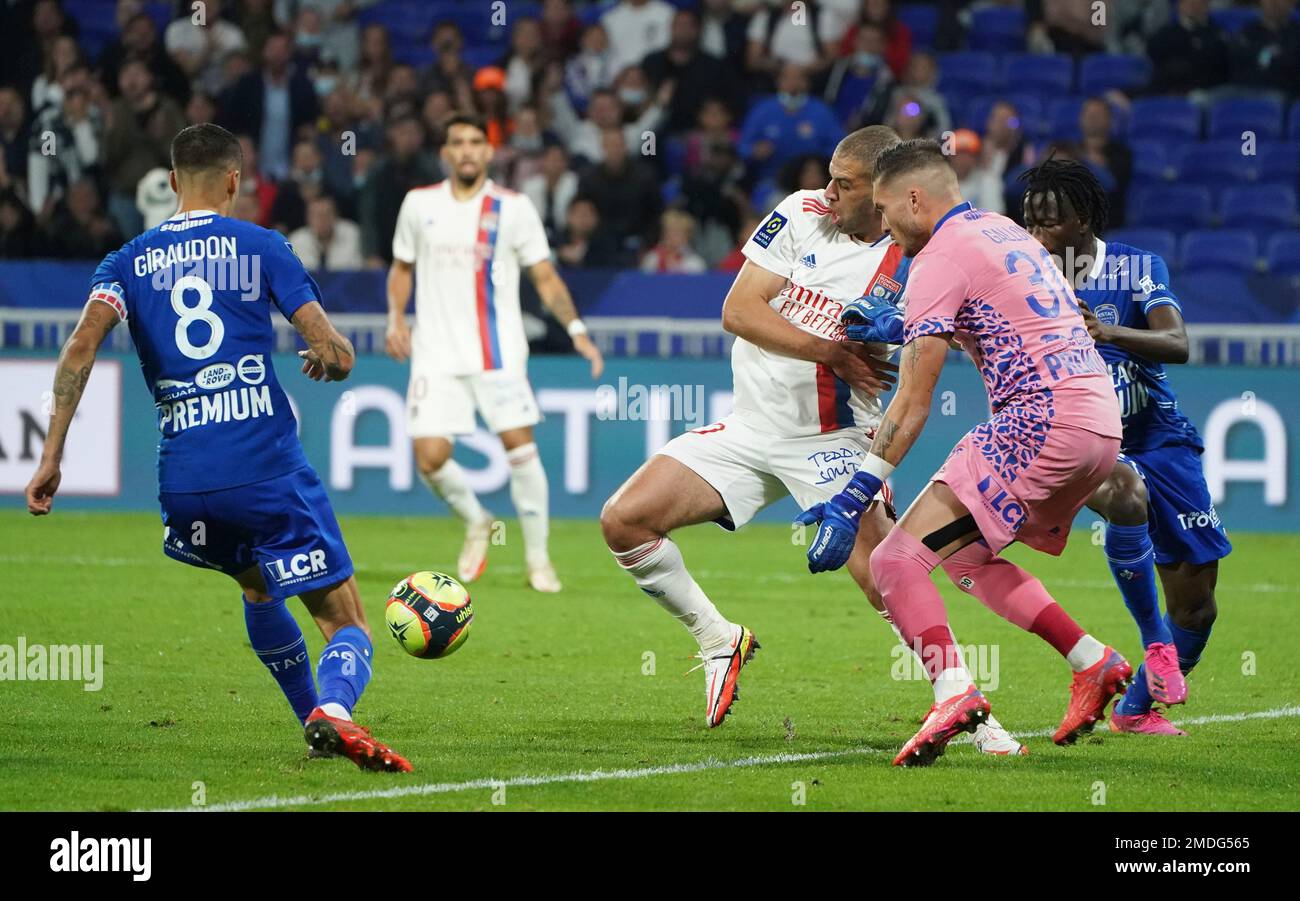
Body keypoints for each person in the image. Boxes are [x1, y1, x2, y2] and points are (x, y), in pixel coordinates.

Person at [600, 126, 1024, 753]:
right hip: (749, 428)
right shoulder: (801, 212)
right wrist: (833, 352)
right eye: (829, 175)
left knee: (885, 573)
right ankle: (720, 638)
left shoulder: (917, 257)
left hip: (833, 439)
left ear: (882, 191)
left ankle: (969, 709)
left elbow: (930, 354)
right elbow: (739, 311)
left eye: (845, 184)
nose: (828, 191)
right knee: (624, 521)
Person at [24, 123, 409, 772]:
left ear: (173, 182)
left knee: (260, 588)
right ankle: (334, 710)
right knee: (348, 624)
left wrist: (51, 453)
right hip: (263, 466)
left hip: (185, 481)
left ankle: (311, 725)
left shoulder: (125, 262)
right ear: (236, 181)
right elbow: (333, 348)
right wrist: (332, 358)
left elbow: (79, 348)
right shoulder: (263, 245)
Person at [801, 139, 1130, 765]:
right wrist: (902, 325)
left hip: (1040, 422)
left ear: (915, 199)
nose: (887, 229)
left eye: (885, 209)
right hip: (1098, 425)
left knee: (895, 562)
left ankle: (953, 691)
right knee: (967, 559)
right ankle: (1093, 661)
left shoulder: (937, 258)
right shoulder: (1002, 230)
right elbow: (1000, 319)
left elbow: (912, 404)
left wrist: (853, 497)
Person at [1020, 158, 1229, 737]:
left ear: (1083, 218)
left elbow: (1177, 343)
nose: (1038, 237)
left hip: (1160, 437)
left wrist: (1107, 332)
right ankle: (1146, 644)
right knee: (1124, 494)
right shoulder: (1024, 274)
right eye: (1030, 224)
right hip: (1081, 438)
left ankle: (1134, 708)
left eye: (1050, 224)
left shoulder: (1136, 267)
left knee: (1197, 603)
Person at [384, 114, 605, 593]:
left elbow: (544, 275)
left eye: (475, 143)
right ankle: (477, 518)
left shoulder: (514, 207)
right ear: (445, 152)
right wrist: (395, 319)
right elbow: (402, 268)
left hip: (497, 353)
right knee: (429, 457)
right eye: (457, 142)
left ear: (489, 153)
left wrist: (576, 328)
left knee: (521, 451)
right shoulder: (418, 204)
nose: (466, 150)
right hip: (435, 353)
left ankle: (538, 560)